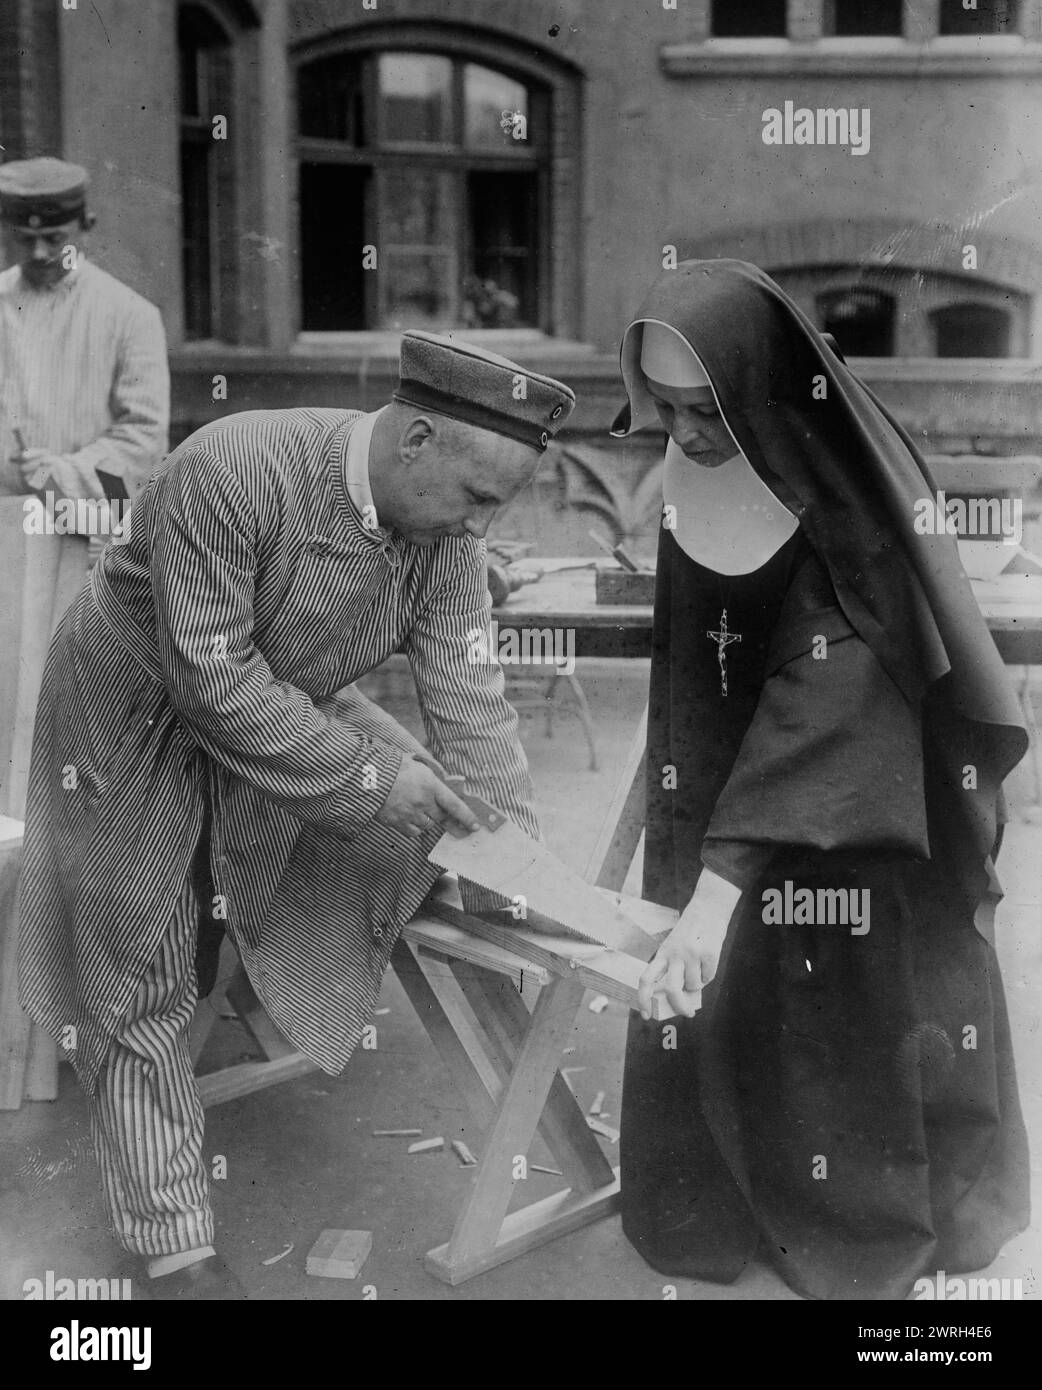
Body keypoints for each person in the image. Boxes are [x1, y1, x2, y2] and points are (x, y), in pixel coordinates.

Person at [17, 329, 575, 1299]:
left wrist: (521, 871)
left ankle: (263, 961)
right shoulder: (231, 468)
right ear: (415, 442)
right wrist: (365, 781)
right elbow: (211, 682)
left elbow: (472, 706)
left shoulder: (443, 535)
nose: (481, 525)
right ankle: (172, 1244)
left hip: (279, 689)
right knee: (137, 947)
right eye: (478, 497)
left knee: (422, 820)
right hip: (134, 702)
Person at [611, 259, 1030, 1301]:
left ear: (758, 387)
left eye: (703, 408)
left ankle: (851, 1233)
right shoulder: (692, 468)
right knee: (723, 995)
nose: (684, 433)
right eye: (662, 408)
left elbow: (824, 696)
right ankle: (732, 1204)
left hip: (858, 809)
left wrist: (714, 886)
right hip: (734, 788)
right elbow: (692, 667)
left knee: (838, 1002)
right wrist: (673, 838)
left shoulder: (843, 495)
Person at [0, 156, 169, 543]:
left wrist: (59, 472)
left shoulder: (130, 315)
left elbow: (143, 438)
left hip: (86, 528)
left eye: (55, 238)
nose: (40, 253)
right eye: (25, 239)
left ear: (86, 227)